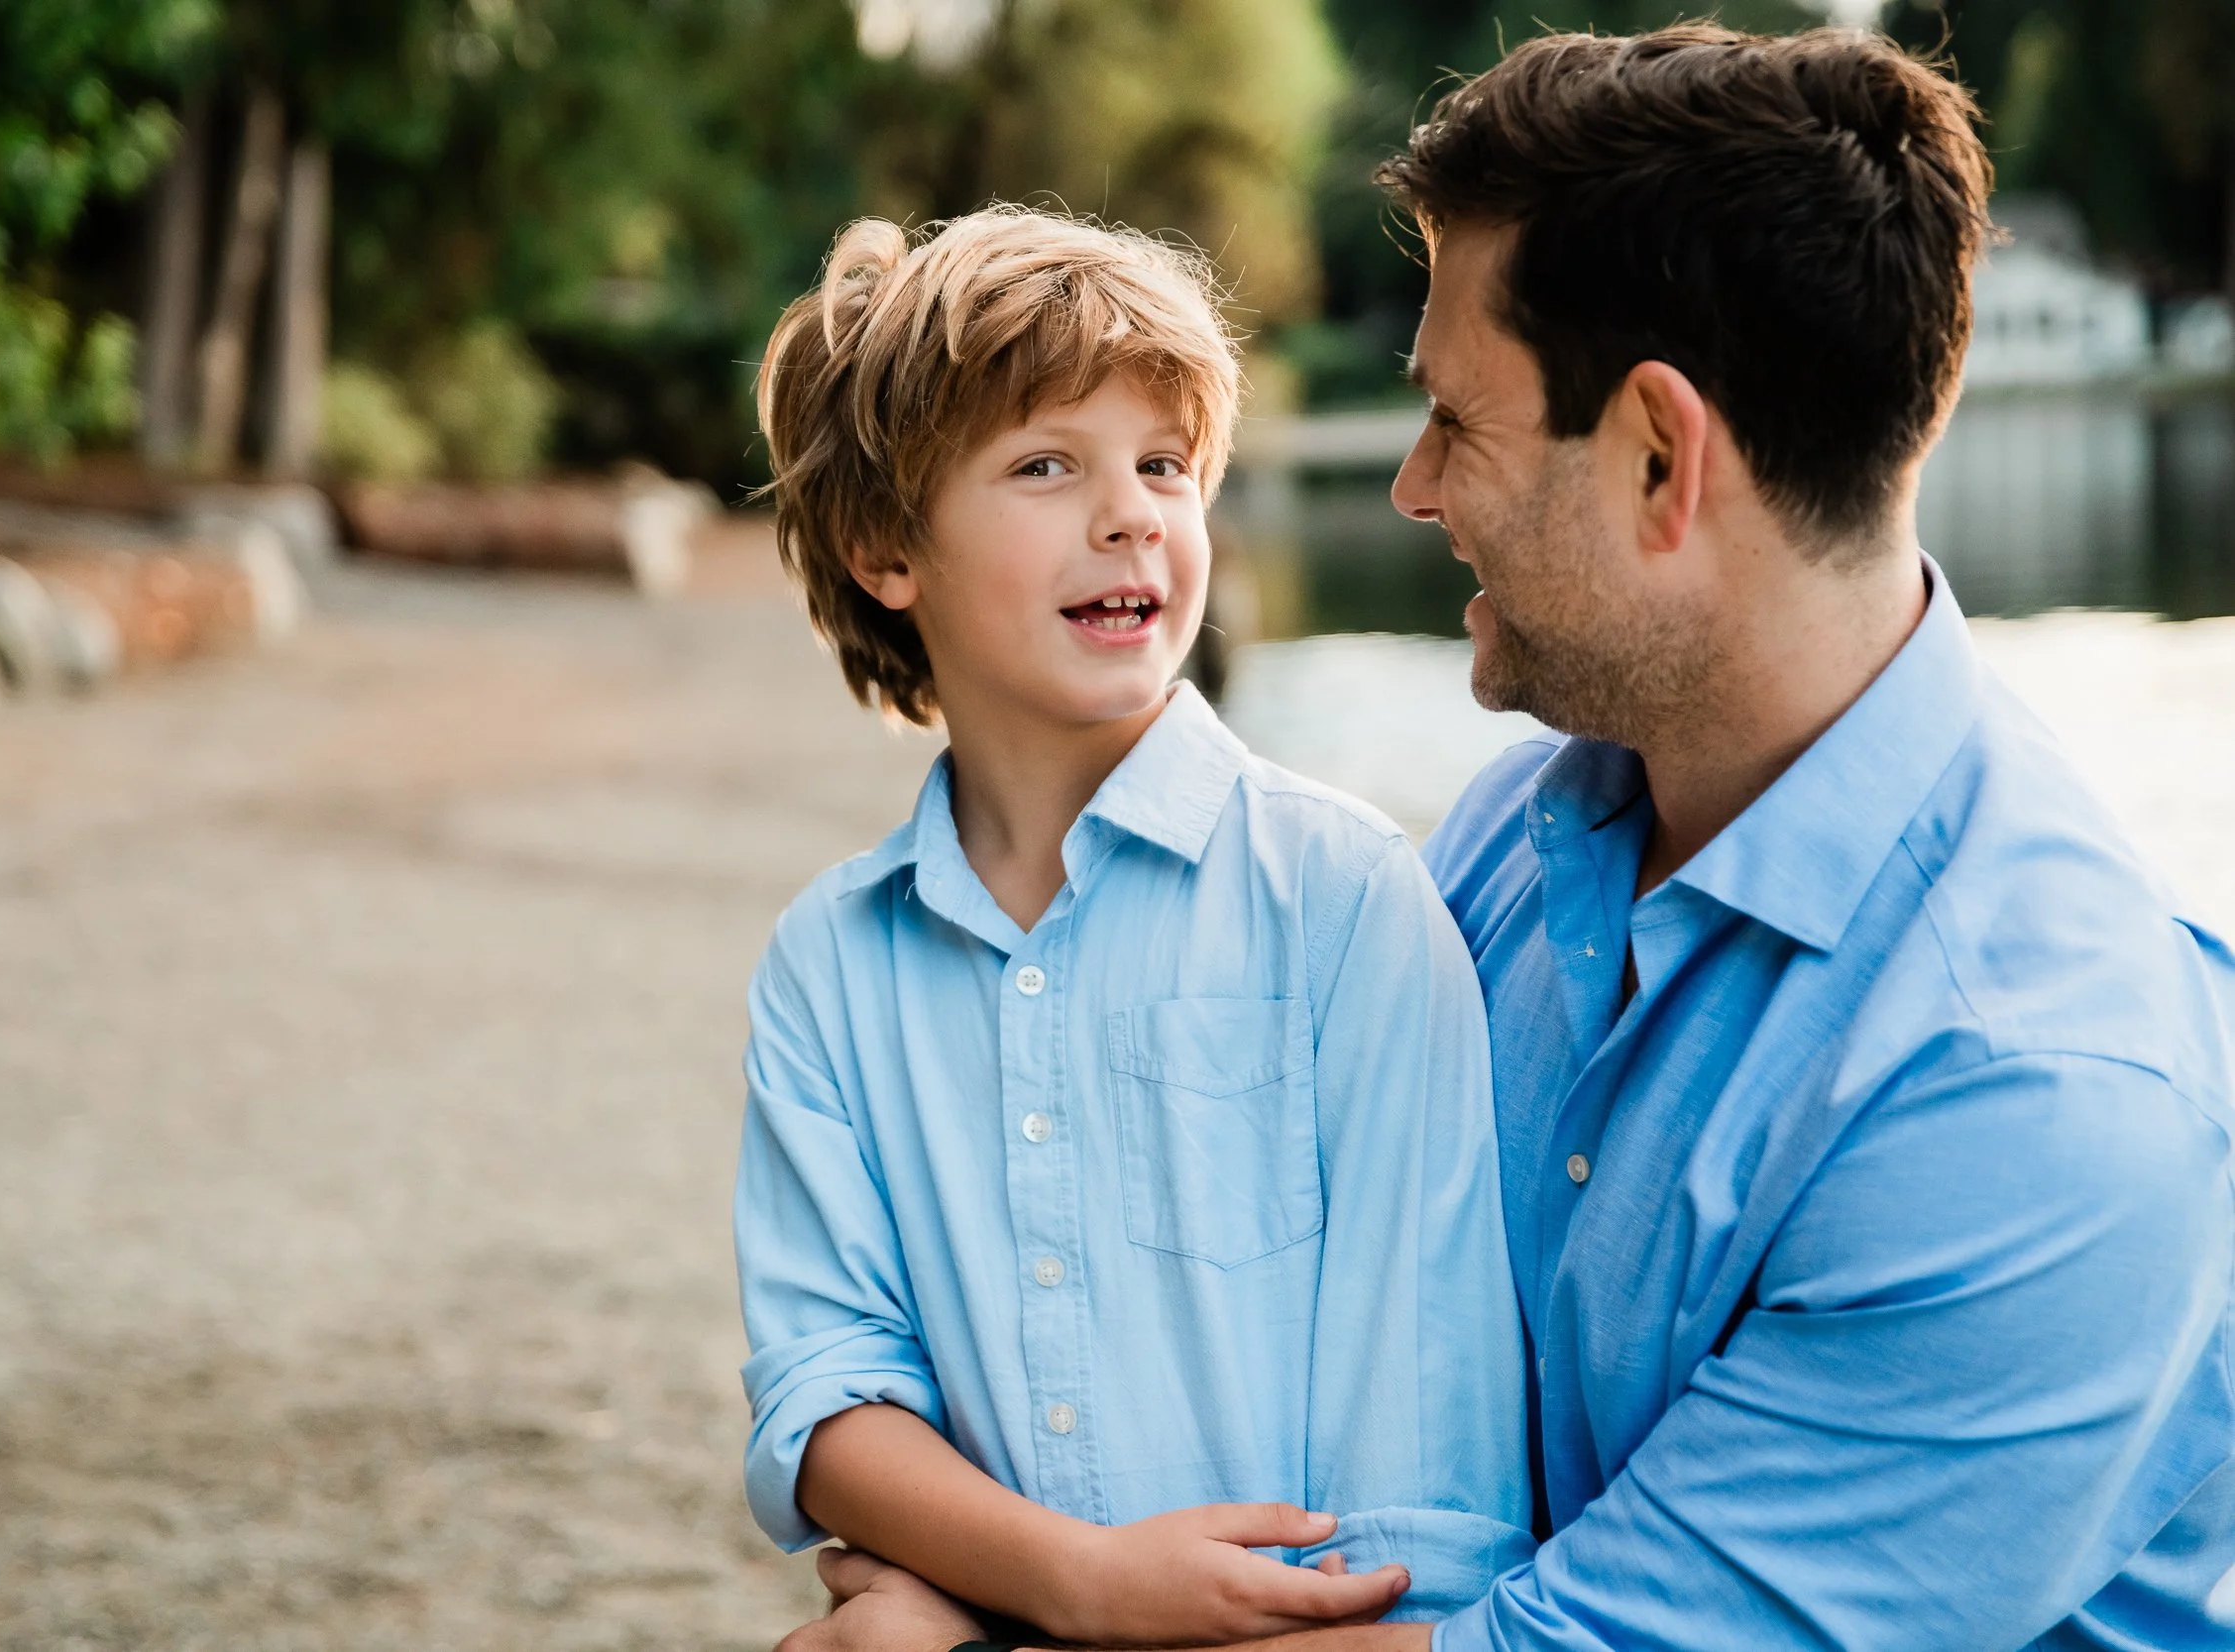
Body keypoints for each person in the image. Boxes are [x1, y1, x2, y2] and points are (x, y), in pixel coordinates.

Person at [784, 27, 2235, 1652]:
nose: (1408, 488)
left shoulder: (2037, 1095)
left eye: (1455, 424)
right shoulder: (1515, 848)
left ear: (1659, 459)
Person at [732, 206, 1535, 1649]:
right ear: (881, 547)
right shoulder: (829, 967)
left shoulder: (1345, 899)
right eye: (1047, 464)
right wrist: (1077, 1581)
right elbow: (828, 1393)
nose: (1132, 514)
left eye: (1165, 465)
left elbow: (1429, 1506)